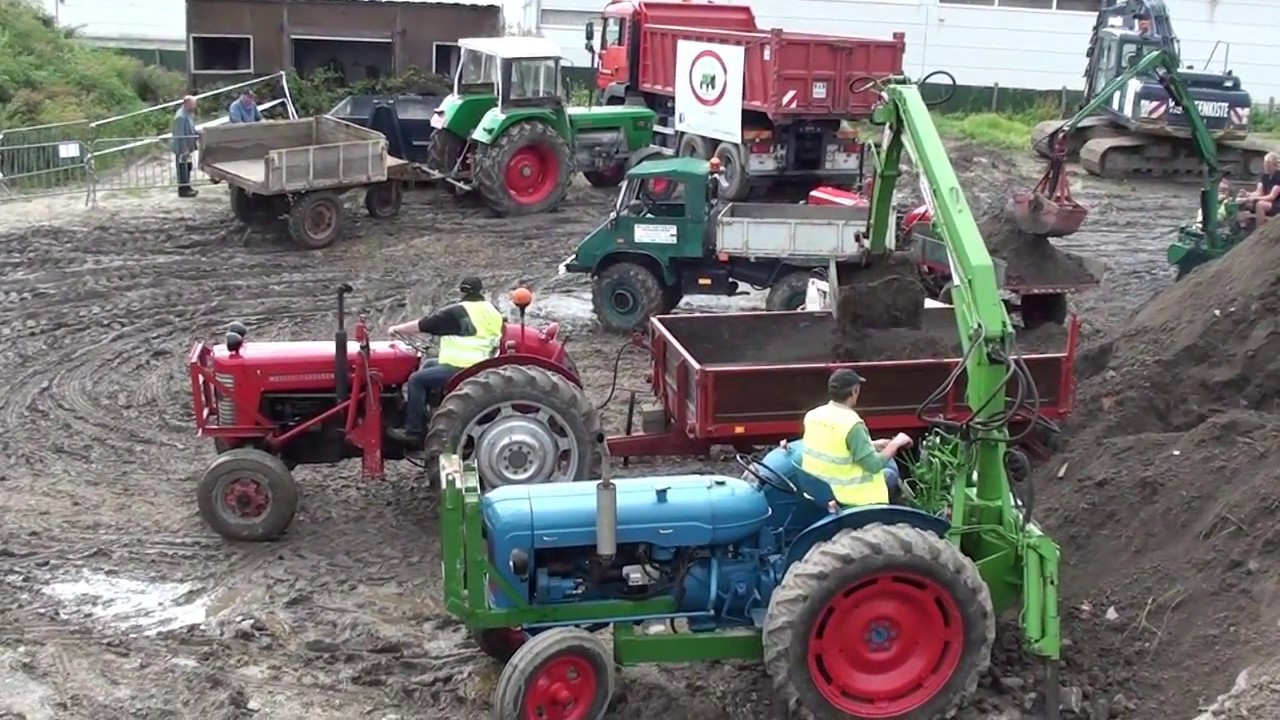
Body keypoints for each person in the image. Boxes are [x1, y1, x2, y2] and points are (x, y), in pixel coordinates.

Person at [386, 277, 505, 446]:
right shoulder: (492, 311)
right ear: (480, 290)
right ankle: (430, 415)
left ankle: (414, 430)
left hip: (463, 366)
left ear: (462, 291)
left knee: (416, 380)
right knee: (429, 365)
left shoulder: (458, 312)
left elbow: (425, 324)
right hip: (480, 362)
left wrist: (397, 329)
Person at [799, 368, 912, 508]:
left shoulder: (813, 415)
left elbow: (833, 444)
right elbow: (873, 466)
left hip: (820, 489)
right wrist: (896, 443)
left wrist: (872, 445)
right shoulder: (852, 424)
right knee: (890, 474)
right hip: (848, 495)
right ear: (855, 391)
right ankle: (896, 520)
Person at [1238, 152, 1280, 227]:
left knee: (1260, 205)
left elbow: (1272, 197)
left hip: (1276, 204)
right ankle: (1243, 226)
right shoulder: (1264, 176)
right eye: (1265, 164)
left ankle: (1259, 229)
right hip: (1266, 201)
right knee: (1244, 203)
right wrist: (1247, 195)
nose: (1266, 166)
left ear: (1274, 165)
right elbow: (1259, 192)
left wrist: (1254, 198)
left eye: (1268, 164)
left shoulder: (1278, 177)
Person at [172, 96, 199, 198]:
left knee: (188, 167)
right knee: (182, 168)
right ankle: (183, 190)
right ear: (187, 103)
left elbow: (190, 128)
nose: (195, 106)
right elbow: (180, 135)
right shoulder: (180, 117)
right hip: (182, 148)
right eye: (193, 104)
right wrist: (184, 150)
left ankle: (187, 187)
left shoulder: (187, 114)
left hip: (187, 147)